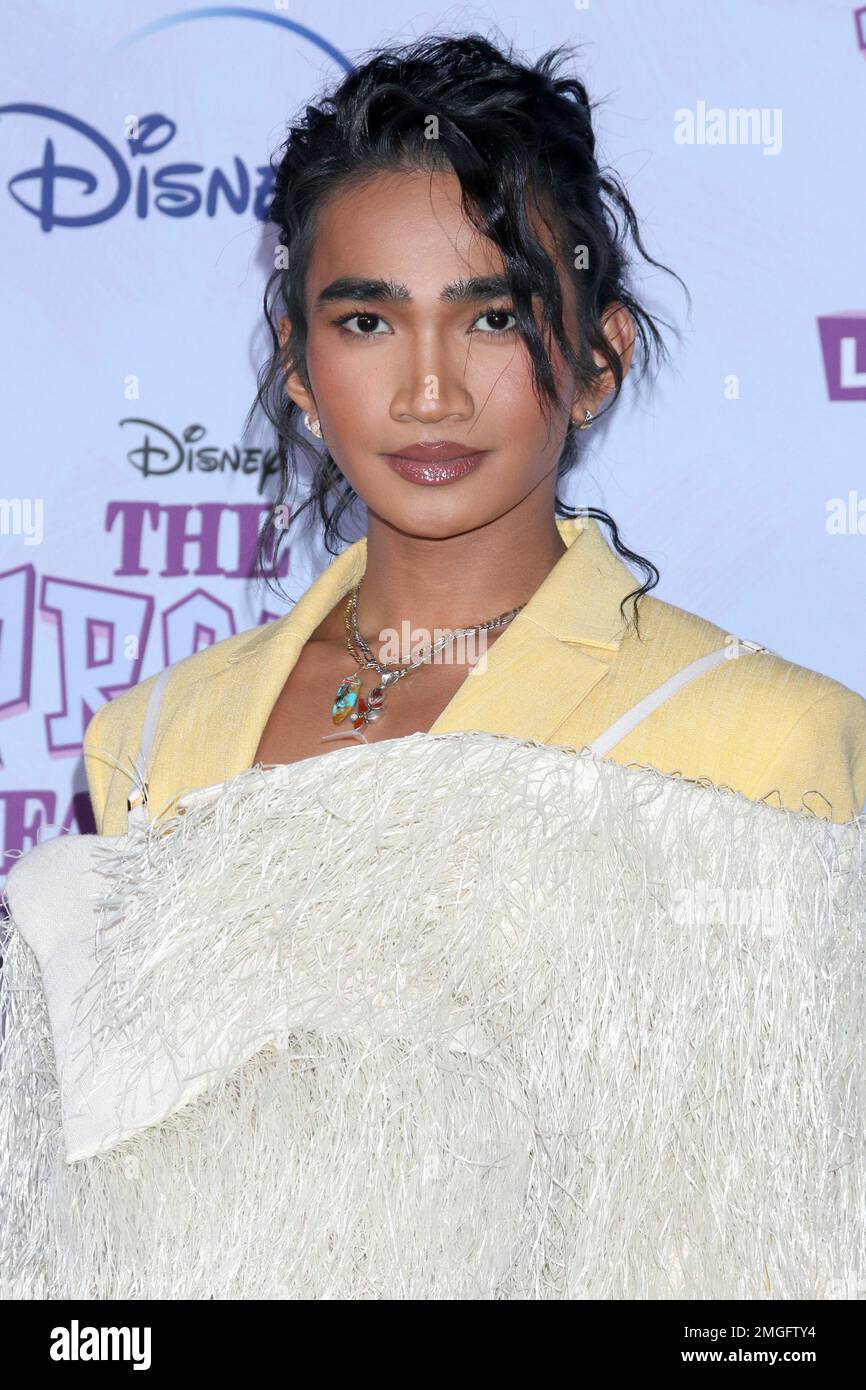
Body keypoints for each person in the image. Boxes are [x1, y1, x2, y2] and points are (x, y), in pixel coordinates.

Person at [2, 33, 864, 1302]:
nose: (425, 391)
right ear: (300, 367)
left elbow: (782, 1252)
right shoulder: (155, 738)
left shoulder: (764, 742)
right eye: (365, 319)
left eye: (493, 318)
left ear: (600, 354)